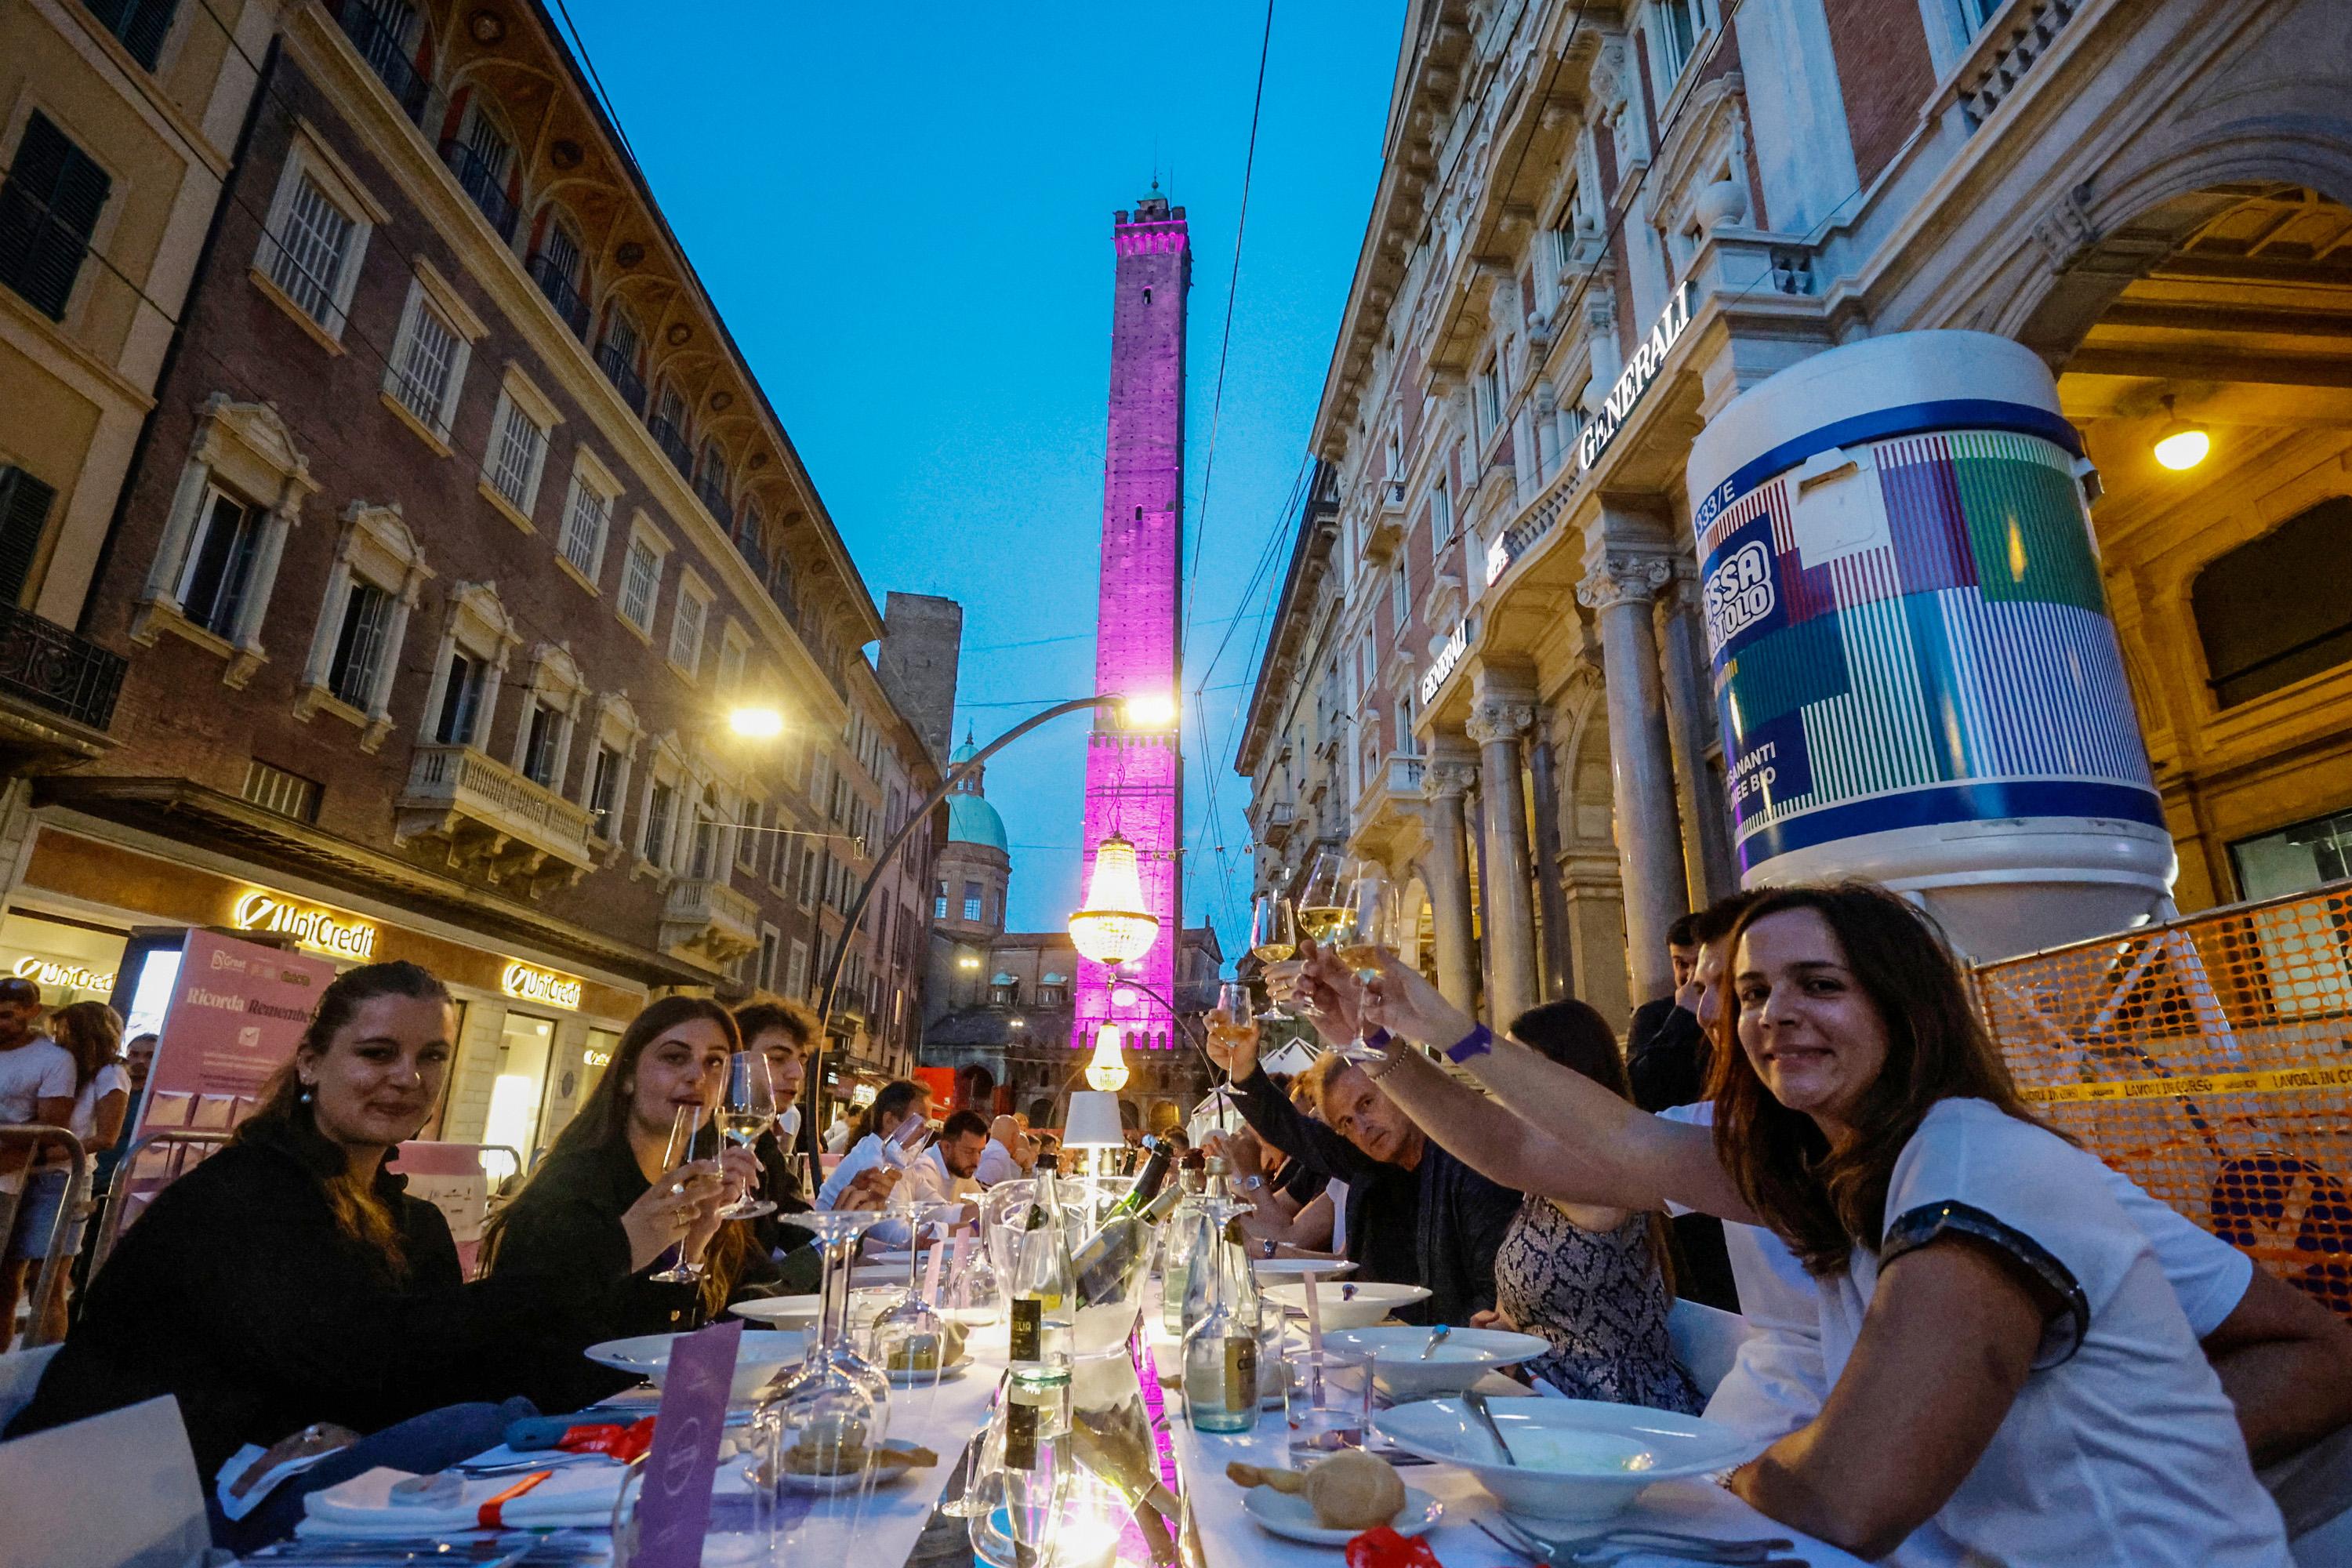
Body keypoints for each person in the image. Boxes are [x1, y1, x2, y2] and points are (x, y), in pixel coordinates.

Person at [1348, 887, 2296, 1565]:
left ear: (1904, 1005)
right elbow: (1558, 1145)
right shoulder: (1820, 1166)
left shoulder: (1976, 1163)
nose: (1771, 1014)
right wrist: (1386, 1040)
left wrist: (1697, 1476)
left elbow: (1851, 1494)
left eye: (1820, 985)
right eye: (1754, 991)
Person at [5, 961, 718, 1550]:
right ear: (312, 1063)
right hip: (135, 1514)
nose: (407, 1078)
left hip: (317, 1491)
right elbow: (366, 1357)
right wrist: (619, 1248)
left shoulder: (417, 1223)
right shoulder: (243, 1196)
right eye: (378, 1053)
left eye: (431, 1057)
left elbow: (454, 1366)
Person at [482, 996, 770, 1410]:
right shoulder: (575, 1185)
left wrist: (695, 1248)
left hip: (662, 1409)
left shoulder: (702, 1181)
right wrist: (629, 1245)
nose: (697, 1076)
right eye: (674, 1057)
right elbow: (558, 1340)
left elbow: (739, 1305)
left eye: (715, 1063)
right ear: (628, 1077)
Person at [1202, 1009, 1519, 1327]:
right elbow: (1296, 1133)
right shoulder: (1372, 1168)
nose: (1362, 1127)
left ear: (1399, 1087)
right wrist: (1243, 1072)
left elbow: (1491, 1296)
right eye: (1347, 1122)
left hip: (1449, 1357)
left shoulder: (1469, 1164)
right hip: (1380, 1344)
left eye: (1367, 1103)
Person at [1479, 999, 1701, 1413]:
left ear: (1572, 1078)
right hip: (1546, 1397)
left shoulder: (1601, 1173)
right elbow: (1517, 1312)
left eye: (1518, 1070)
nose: (1505, 1086)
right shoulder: (1539, 1186)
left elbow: (1488, 1147)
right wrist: (1499, 1330)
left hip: (1616, 1411)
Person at [11, 1002, 129, 1344]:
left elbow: (106, 1136)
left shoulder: (110, 1073)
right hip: (29, 1175)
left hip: (65, 1179)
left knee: (46, 1283)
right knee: (12, 1276)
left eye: (63, 1030)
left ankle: (39, 1367)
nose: (57, 1037)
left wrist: (49, 1153)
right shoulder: (62, 1067)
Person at [0, 974, 74, 1346]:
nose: (1, 1023)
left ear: (33, 1011)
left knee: (10, 1282)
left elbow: (51, 1127)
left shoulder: (52, 1060)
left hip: (7, 1179)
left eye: (8, 1015)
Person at [816, 1079, 931, 1210]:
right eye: (919, 1121)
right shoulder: (873, 1163)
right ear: (889, 1120)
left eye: (926, 1123)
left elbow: (929, 1198)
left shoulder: (899, 1157)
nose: (924, 1131)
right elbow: (893, 1228)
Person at [1624, 909, 1702, 1100]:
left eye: (1700, 963)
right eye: (1681, 964)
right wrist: (1683, 1014)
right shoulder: (1652, 1015)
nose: (1691, 975)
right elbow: (1638, 1086)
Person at [975, 1112, 1036, 1186]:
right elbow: (982, 1188)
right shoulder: (999, 1155)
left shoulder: (990, 1151)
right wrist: (1028, 1169)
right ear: (1014, 1137)